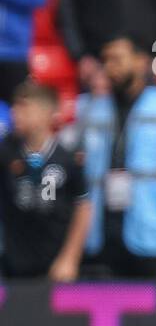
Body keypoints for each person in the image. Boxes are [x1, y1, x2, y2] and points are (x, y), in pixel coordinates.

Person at [74, 34, 156, 278]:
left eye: (118, 60)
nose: (110, 67)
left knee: (155, 313)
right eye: (106, 60)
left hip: (153, 230)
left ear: (142, 62)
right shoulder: (90, 109)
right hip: (102, 232)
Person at [0, 82, 91, 281]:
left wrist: (70, 258)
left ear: (45, 113)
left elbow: (83, 206)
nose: (15, 113)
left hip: (55, 266)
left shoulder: (68, 157)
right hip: (12, 265)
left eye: (23, 107)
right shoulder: (6, 153)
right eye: (14, 107)